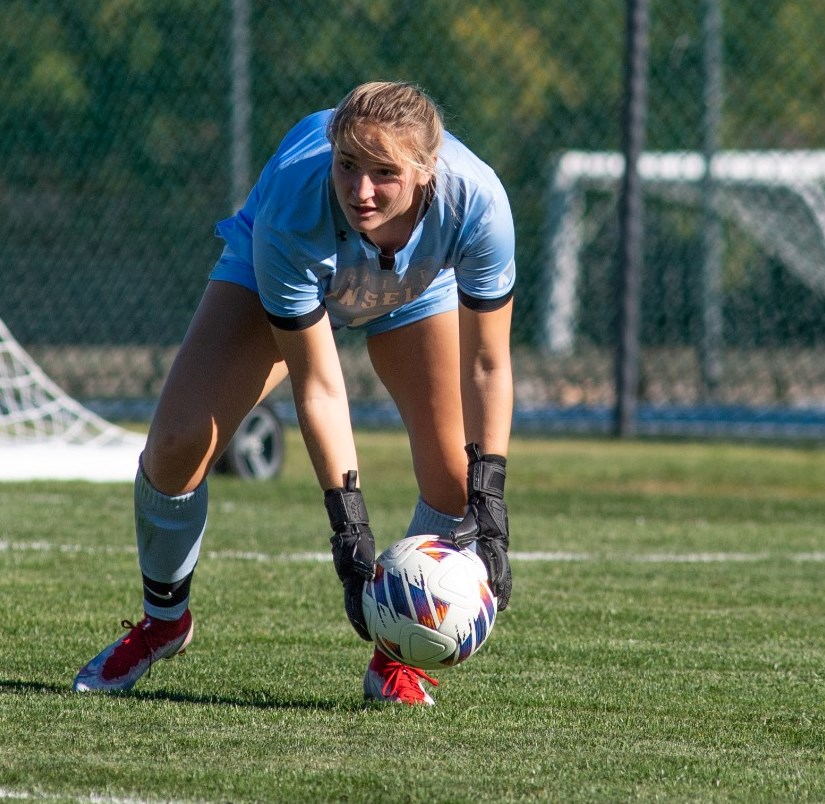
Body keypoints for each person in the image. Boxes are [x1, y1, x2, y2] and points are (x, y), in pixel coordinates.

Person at [73, 81, 514, 705]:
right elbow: (321, 387)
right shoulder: (293, 205)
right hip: (285, 268)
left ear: (426, 171)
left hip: (415, 288)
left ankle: (394, 654)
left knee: (453, 477)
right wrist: (349, 528)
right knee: (177, 444)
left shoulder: (479, 203)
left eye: (385, 173)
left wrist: (490, 506)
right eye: (348, 165)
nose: (361, 191)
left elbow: (488, 365)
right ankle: (164, 623)